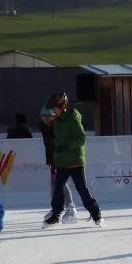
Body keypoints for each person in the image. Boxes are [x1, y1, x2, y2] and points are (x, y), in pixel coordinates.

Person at [43, 92, 103, 228]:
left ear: (62, 106)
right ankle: (56, 215)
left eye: (54, 108)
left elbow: (82, 138)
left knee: (82, 189)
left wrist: (66, 147)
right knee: (58, 189)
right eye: (51, 108)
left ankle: (96, 214)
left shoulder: (72, 118)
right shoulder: (57, 122)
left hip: (75, 161)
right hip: (63, 162)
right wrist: (56, 157)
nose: (52, 110)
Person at [39, 101, 78, 224]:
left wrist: (59, 159)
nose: (45, 118)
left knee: (60, 184)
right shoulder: (44, 127)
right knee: (55, 185)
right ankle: (57, 208)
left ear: (53, 116)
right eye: (43, 116)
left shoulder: (58, 126)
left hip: (62, 158)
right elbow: (48, 146)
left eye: (47, 116)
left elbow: (59, 144)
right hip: (54, 159)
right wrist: (49, 161)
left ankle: (70, 208)